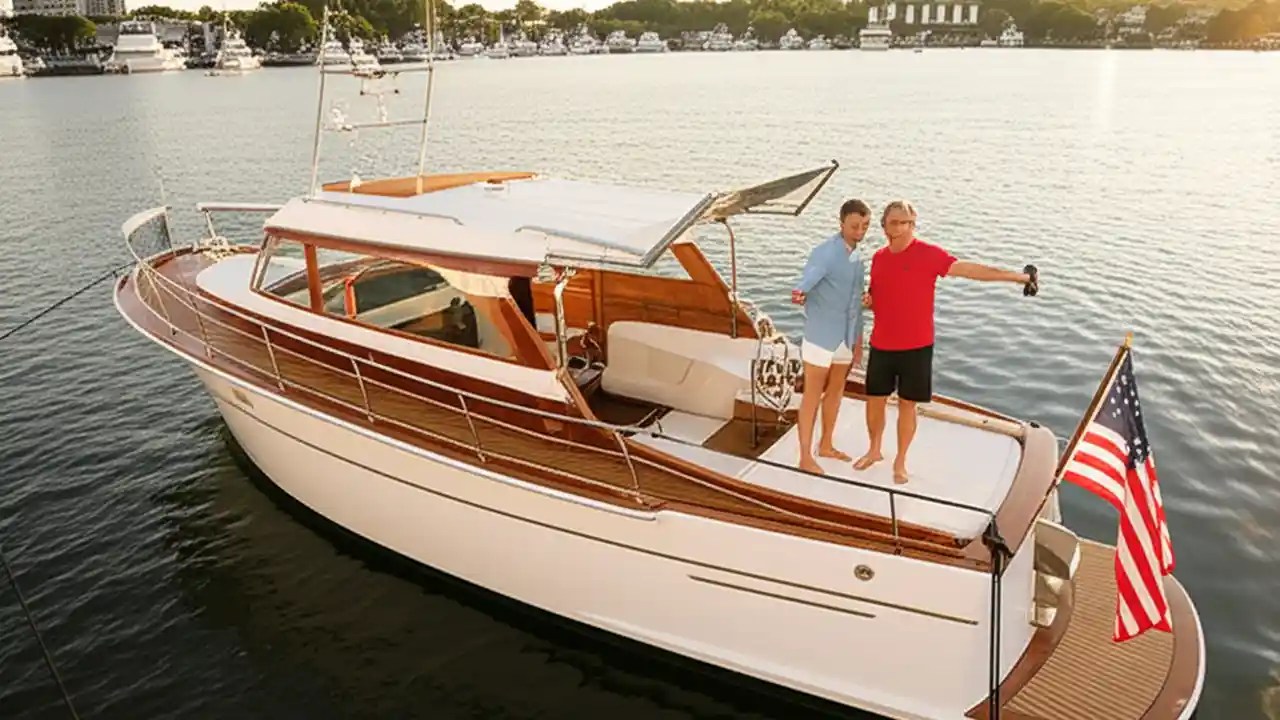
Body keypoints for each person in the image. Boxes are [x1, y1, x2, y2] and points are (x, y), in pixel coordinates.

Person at [853, 200, 1037, 484]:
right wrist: (868, 302)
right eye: (895, 222)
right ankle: (874, 450)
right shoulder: (879, 258)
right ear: (884, 227)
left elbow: (971, 270)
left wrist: (1018, 277)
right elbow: (878, 299)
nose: (902, 228)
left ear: (914, 225)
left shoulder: (928, 255)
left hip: (916, 347)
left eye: (908, 222)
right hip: (882, 344)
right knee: (874, 401)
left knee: (907, 405)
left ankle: (900, 461)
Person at [791, 199, 871, 474]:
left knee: (836, 390)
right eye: (854, 226)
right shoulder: (825, 253)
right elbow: (808, 281)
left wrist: (859, 341)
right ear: (841, 224)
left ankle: (825, 444)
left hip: (846, 339)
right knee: (812, 393)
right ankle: (804, 456)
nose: (860, 231)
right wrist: (800, 292)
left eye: (865, 226)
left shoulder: (858, 257)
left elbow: (857, 303)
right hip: (821, 337)